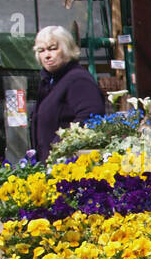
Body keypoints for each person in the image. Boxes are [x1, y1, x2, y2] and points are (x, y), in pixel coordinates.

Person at [30, 26, 106, 161]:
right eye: (41, 51)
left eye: (53, 49)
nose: (47, 55)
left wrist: (60, 148)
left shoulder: (77, 80)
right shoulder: (50, 81)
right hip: (51, 166)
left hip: (70, 166)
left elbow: (89, 117)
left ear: (67, 49)